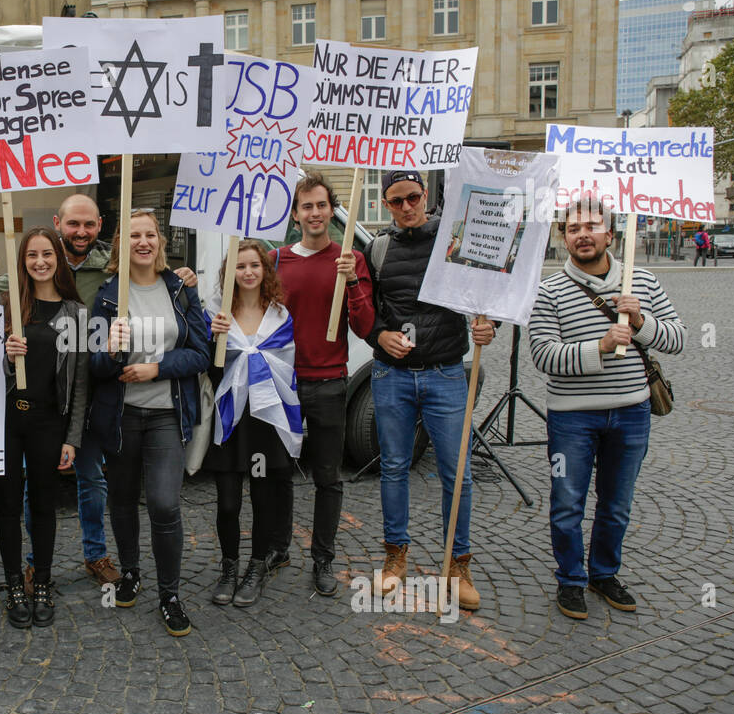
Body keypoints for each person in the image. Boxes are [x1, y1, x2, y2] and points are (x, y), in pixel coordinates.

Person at [529, 194, 684, 620]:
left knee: (616, 503)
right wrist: (599, 346)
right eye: (574, 228)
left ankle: (603, 573)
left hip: (632, 413)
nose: (583, 234)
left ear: (610, 233)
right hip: (571, 418)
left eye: (592, 226)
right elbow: (543, 355)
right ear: (564, 237)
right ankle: (571, 580)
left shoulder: (643, 283)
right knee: (567, 502)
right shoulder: (550, 291)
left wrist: (640, 323)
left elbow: (677, 338)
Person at [0, 194, 123, 586]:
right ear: (59, 224)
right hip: (39, 401)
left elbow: (147, 272)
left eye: (89, 225)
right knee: (35, 483)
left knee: (90, 476)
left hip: (88, 384)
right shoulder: (20, 284)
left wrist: (185, 275)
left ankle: (95, 554)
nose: (81, 232)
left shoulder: (110, 264)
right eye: (74, 224)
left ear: (100, 225)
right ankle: (35, 563)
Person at [363, 170, 496, 610]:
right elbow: (364, 309)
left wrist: (486, 321)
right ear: (386, 204)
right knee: (395, 467)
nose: (406, 207)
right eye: (397, 201)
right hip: (392, 375)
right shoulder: (378, 249)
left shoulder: (452, 243)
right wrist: (378, 336)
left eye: (413, 198)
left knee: (457, 473)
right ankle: (395, 555)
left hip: (445, 373)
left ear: (427, 197)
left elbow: (483, 291)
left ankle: (457, 564)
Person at [89, 211, 208, 636]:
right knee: (121, 500)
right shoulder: (106, 296)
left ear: (160, 241)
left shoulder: (179, 290)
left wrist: (156, 368)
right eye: (133, 235)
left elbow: (201, 351)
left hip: (166, 415)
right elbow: (96, 366)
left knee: (163, 503)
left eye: (150, 235)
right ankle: (131, 572)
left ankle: (170, 593)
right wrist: (110, 351)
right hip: (121, 418)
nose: (143, 242)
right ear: (121, 243)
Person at [267, 174, 375, 596]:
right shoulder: (276, 261)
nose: (314, 213)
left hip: (329, 382)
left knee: (327, 476)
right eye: (306, 206)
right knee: (276, 472)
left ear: (332, 211)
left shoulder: (350, 260)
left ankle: (323, 558)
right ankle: (277, 547)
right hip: (281, 382)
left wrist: (351, 283)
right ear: (295, 215)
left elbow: (365, 327)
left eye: (321, 205)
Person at [0, 226, 89, 628]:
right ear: (23, 261)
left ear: (58, 257)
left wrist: (73, 438)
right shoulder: (8, 306)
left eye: (47, 253)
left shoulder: (76, 313)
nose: (40, 262)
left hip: (50, 420)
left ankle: (44, 581)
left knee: (43, 505)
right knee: (7, 504)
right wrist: (5, 353)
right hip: (7, 419)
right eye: (32, 255)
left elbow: (81, 381)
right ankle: (15, 583)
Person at [205, 240, 302, 607]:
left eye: (254, 266)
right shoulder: (216, 312)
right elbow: (209, 369)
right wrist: (213, 337)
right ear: (230, 273)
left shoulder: (279, 315)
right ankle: (229, 566)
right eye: (240, 266)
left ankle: (257, 566)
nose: (247, 272)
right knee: (228, 502)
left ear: (265, 270)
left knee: (263, 498)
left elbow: (285, 366)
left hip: (264, 421)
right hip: (230, 421)